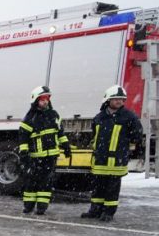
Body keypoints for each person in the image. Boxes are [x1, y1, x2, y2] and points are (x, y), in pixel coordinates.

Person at [81, 85, 144, 222]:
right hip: (100, 160)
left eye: (122, 99)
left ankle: (108, 212)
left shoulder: (129, 117)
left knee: (112, 188)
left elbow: (137, 135)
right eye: (116, 99)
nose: (119, 102)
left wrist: (126, 147)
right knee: (98, 187)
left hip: (116, 160)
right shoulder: (99, 117)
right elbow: (94, 137)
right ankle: (95, 210)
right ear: (108, 100)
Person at [17, 86, 70, 215]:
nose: (45, 101)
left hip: (51, 157)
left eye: (47, 99)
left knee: (46, 183)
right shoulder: (29, 118)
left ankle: (42, 207)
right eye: (42, 99)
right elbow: (23, 138)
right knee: (31, 182)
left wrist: (66, 145)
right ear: (36, 100)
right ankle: (28, 206)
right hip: (35, 157)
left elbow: (60, 132)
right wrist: (24, 153)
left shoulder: (54, 115)